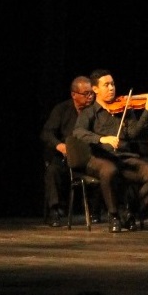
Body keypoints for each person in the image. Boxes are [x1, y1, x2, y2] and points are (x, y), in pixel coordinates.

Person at [72, 70, 148, 233]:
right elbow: (78, 132)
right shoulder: (89, 112)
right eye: (106, 85)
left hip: (123, 158)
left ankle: (129, 212)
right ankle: (114, 215)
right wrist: (101, 139)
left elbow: (133, 133)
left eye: (112, 84)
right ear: (95, 89)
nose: (111, 88)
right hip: (99, 157)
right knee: (109, 170)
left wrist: (147, 111)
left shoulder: (124, 109)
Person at [40, 76, 95, 227]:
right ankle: (54, 211)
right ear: (74, 95)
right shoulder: (61, 109)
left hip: (88, 157)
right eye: (86, 94)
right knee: (52, 171)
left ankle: (98, 210)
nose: (90, 97)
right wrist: (59, 145)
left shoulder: (95, 110)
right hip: (65, 157)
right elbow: (46, 133)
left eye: (92, 93)